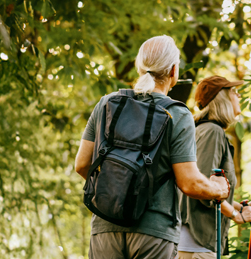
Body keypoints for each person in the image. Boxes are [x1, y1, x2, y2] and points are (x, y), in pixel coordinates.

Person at [75, 36, 231, 259]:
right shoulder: (177, 114)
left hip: (105, 226)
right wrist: (219, 189)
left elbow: (82, 165)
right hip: (154, 231)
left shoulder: (107, 104)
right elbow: (189, 183)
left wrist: (117, 193)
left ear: (140, 66)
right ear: (173, 71)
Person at [177, 76, 251, 259]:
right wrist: (235, 214)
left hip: (195, 243)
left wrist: (240, 207)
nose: (239, 96)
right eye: (234, 92)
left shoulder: (205, 130)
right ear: (221, 98)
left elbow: (212, 191)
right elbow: (203, 188)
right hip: (196, 245)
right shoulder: (212, 132)